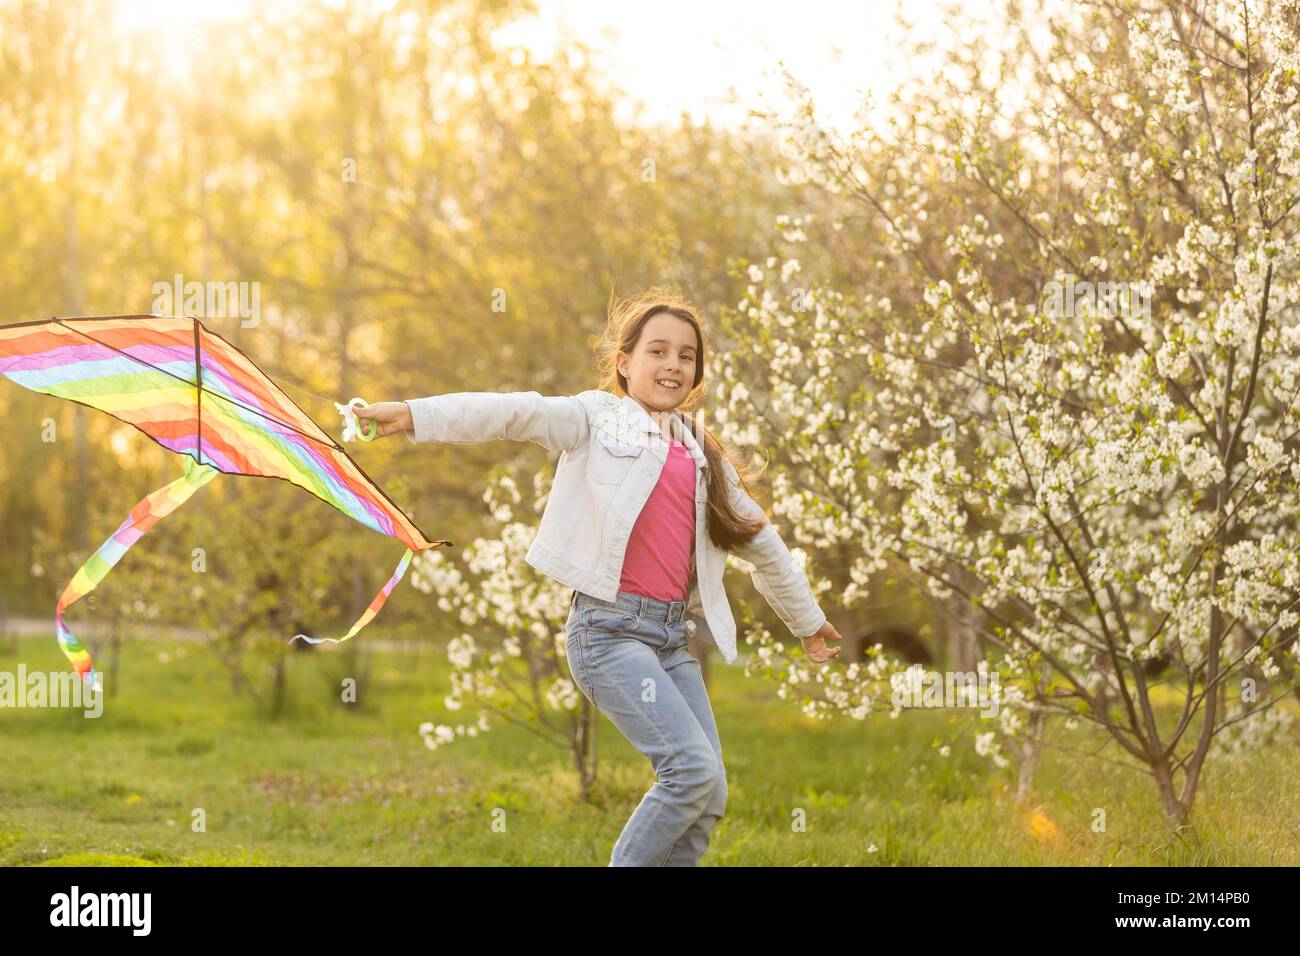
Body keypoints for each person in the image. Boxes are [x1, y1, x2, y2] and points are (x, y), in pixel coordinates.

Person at [355, 287, 842, 865]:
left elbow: (762, 542)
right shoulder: (594, 418)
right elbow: (514, 411)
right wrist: (416, 414)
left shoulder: (701, 453)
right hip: (608, 634)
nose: (672, 365)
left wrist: (808, 622)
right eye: (657, 351)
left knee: (708, 791)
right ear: (624, 362)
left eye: (686, 356)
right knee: (687, 771)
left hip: (670, 640)